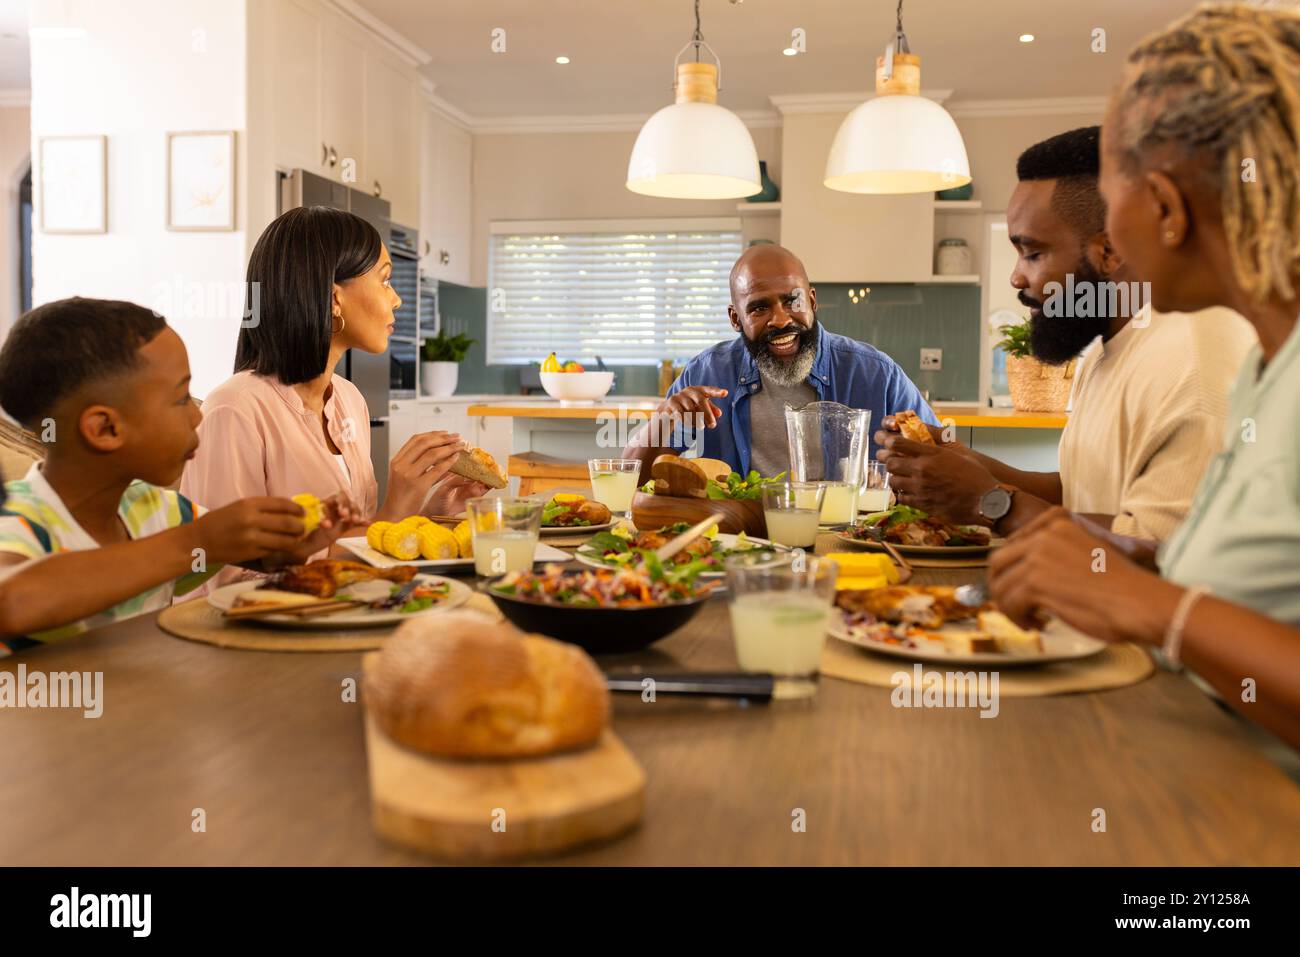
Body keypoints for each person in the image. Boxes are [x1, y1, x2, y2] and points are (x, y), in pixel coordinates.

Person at [989, 2, 1300, 749]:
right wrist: (1097, 556)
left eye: (1116, 184)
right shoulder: (1269, 371)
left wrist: (1150, 605)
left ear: (1161, 208)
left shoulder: (1219, 362)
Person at [876, 126, 1254, 540]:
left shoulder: (1197, 363)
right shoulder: (1110, 347)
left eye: (1033, 253)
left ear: (1110, 251)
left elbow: (1159, 552)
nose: (1017, 278)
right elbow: (1078, 496)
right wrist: (961, 461)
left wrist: (988, 503)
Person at [0, 298, 355, 654]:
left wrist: (293, 541)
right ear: (105, 428)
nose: (198, 416)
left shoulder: (158, 510)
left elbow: (242, 548)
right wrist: (193, 541)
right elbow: (12, 602)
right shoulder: (17, 520)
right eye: (181, 398)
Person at [182, 206, 488, 536]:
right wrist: (396, 505)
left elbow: (358, 546)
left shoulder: (348, 399)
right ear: (333, 299)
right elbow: (222, 575)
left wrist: (426, 515)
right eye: (384, 280)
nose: (397, 299)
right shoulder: (235, 410)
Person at [622, 244, 936, 479]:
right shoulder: (707, 372)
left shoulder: (876, 374)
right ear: (736, 318)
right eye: (759, 308)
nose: (781, 320)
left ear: (812, 301)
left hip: (849, 541)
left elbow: (941, 463)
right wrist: (663, 417)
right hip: (742, 543)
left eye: (792, 301)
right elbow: (631, 478)